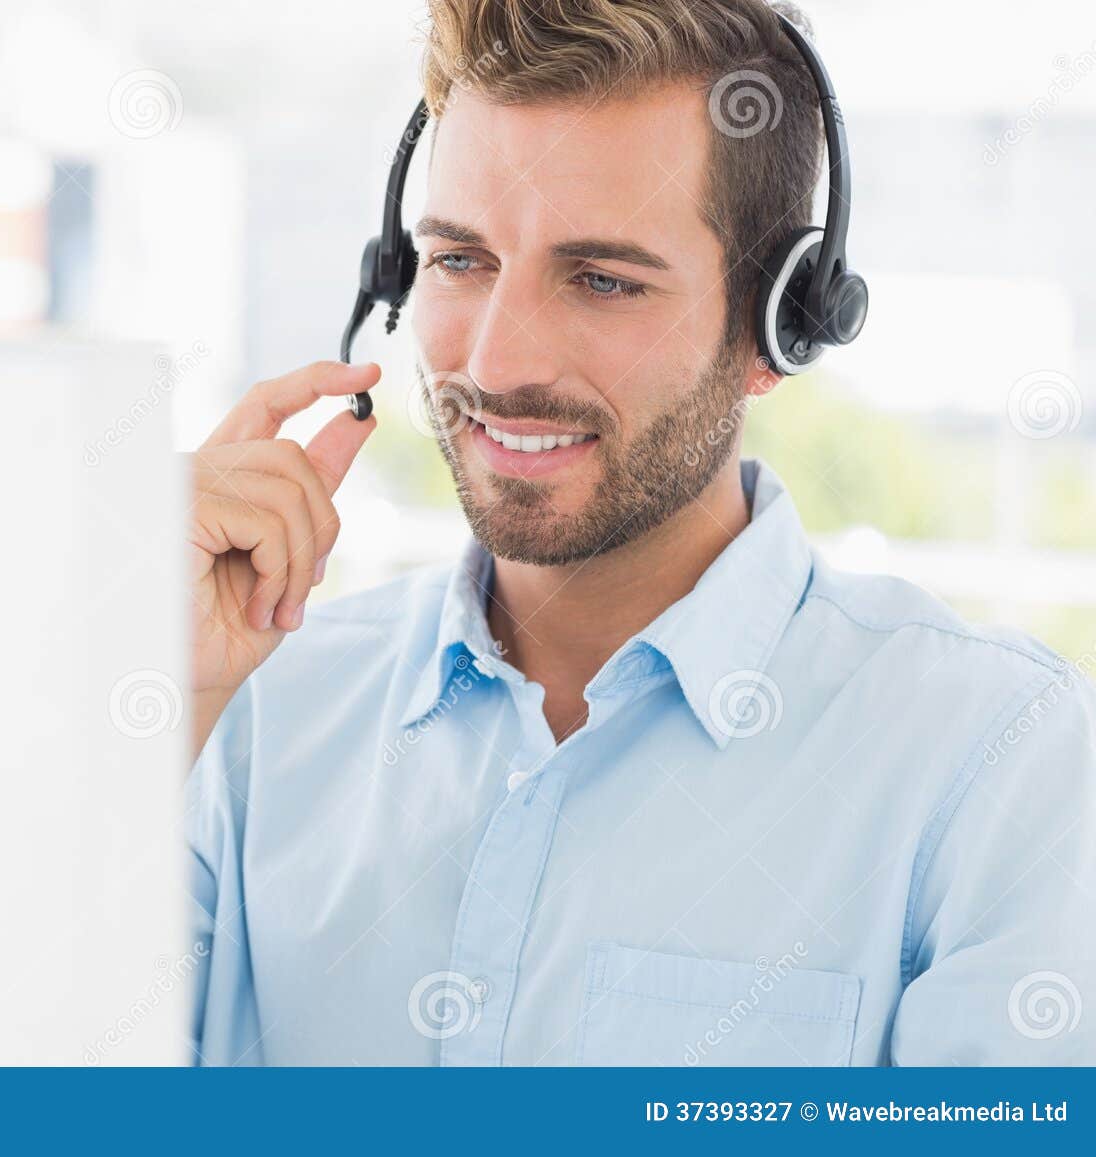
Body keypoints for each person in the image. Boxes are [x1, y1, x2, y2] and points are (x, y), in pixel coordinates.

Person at [185, 0, 1096, 1065]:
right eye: (461, 260)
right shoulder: (244, 714)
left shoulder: (996, 763)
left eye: (603, 280)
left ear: (778, 324)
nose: (498, 361)